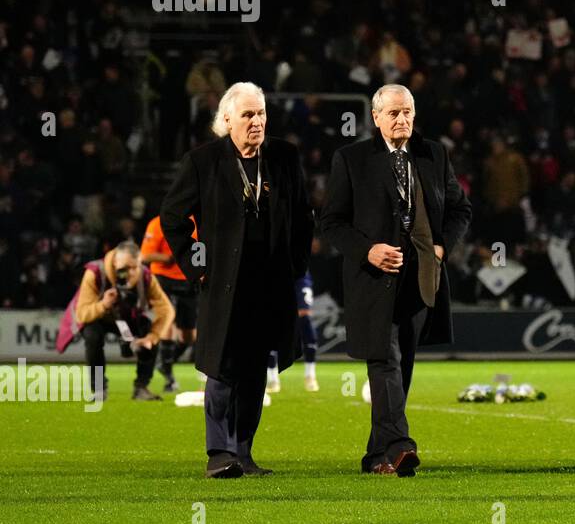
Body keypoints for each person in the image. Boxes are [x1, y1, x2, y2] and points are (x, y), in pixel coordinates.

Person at [161, 82, 314, 479]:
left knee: (255, 372)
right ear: (226, 119)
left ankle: (243, 453)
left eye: (261, 113)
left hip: (270, 283)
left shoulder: (283, 156)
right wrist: (199, 266)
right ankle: (218, 453)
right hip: (224, 282)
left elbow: (303, 216)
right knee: (222, 367)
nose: (257, 121)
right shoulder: (203, 162)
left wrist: (296, 265)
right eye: (248, 115)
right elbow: (173, 219)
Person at [320, 84, 471, 476]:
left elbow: (460, 209)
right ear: (376, 118)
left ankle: (376, 456)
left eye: (407, 112)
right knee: (384, 360)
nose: (402, 119)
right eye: (393, 113)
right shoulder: (351, 159)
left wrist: (441, 247)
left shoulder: (434, 154)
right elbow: (331, 222)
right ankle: (402, 445)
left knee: (401, 368)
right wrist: (367, 250)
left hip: (420, 279)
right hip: (373, 280)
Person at [73, 240, 174, 401]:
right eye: (125, 268)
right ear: (114, 262)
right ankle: (99, 390)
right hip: (101, 318)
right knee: (92, 335)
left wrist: (152, 336)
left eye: (135, 267)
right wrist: (103, 305)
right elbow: (81, 314)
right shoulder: (95, 273)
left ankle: (141, 387)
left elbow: (166, 310)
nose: (131, 273)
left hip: (128, 318)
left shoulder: (146, 276)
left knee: (150, 332)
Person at [141, 212, 197, 393]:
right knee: (168, 322)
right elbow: (145, 255)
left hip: (189, 280)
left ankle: (165, 362)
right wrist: (167, 258)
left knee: (189, 336)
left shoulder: (200, 222)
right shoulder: (157, 223)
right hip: (163, 279)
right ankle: (169, 377)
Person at [266, 271, 319, 393]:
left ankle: (310, 375)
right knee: (271, 324)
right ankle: (272, 378)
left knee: (304, 317)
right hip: (275, 274)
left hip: (298, 272)